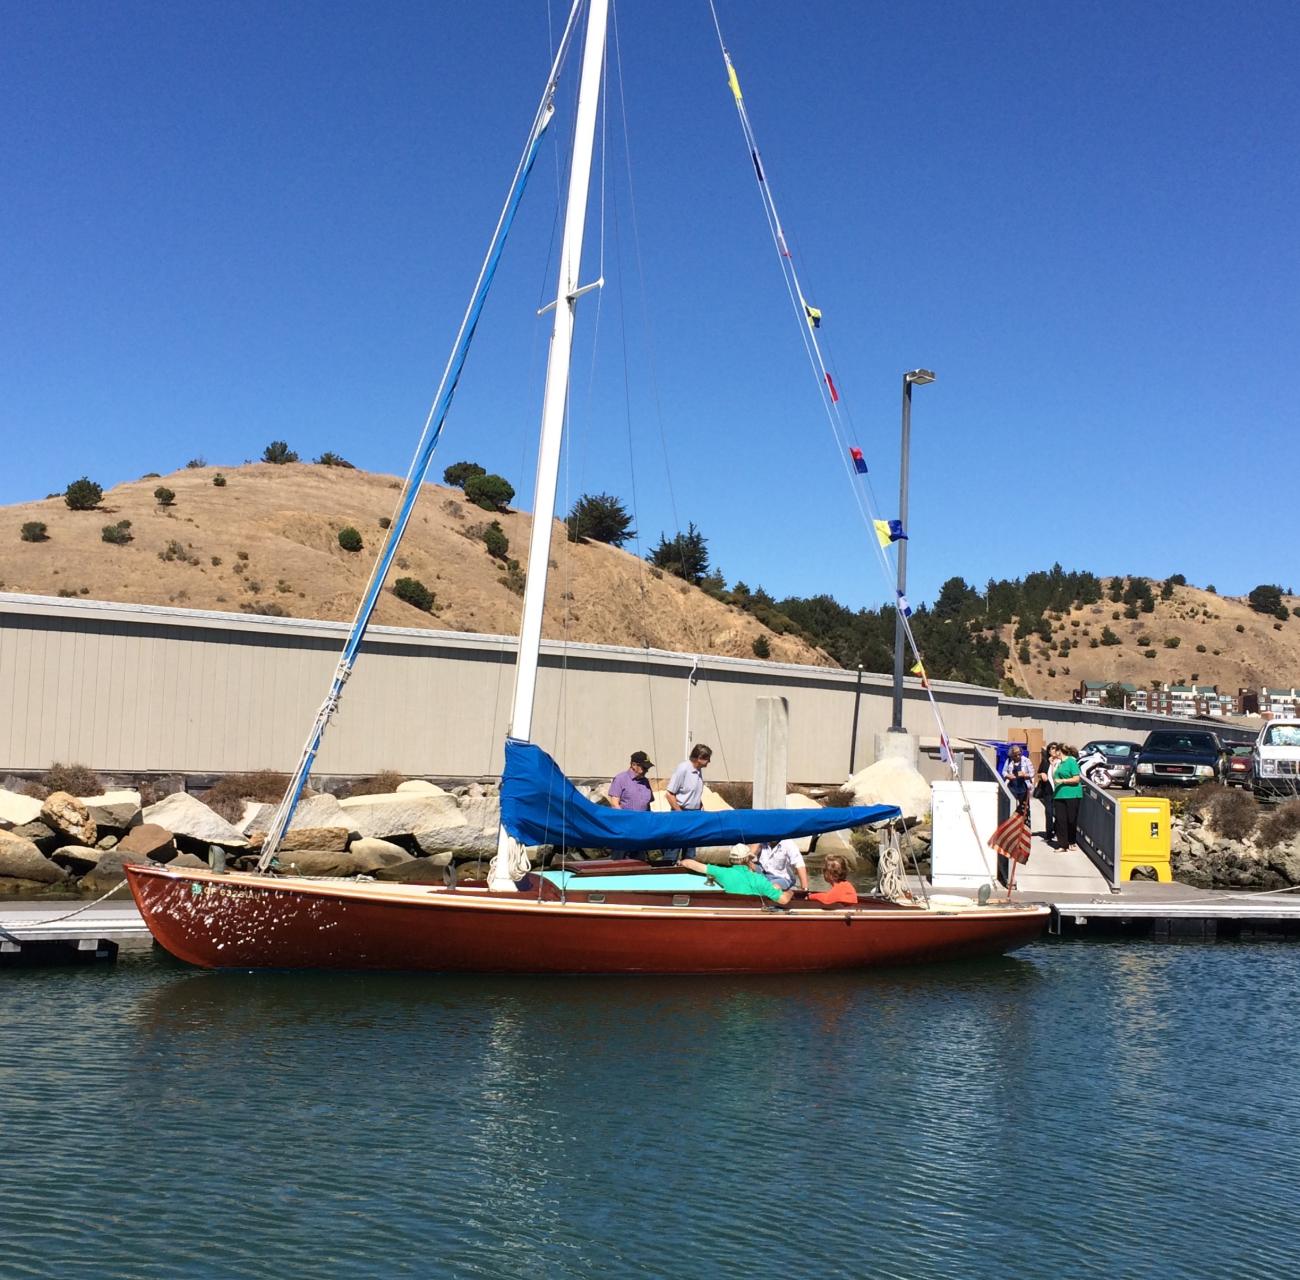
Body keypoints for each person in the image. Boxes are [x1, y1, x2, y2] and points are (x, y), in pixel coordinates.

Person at [680, 846, 793, 905]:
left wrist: (681, 862)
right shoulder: (759, 879)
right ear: (748, 859)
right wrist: (789, 892)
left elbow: (688, 863)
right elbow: (783, 900)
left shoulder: (721, 872)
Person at [663, 744, 712, 865]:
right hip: (681, 812)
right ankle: (667, 874)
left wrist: (699, 805)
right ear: (699, 758)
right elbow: (669, 794)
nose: (709, 762)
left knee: (690, 850)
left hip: (694, 814)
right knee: (673, 848)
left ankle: (688, 873)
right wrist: (680, 813)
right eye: (707, 758)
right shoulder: (683, 768)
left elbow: (693, 792)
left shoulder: (698, 771)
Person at [1051, 745, 1083, 851]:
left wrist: (1063, 781)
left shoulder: (1071, 761)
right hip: (1059, 794)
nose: (1053, 752)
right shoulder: (1058, 763)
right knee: (1060, 820)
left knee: (1071, 819)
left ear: (1060, 751)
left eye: (1056, 751)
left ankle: (1071, 841)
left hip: (1072, 794)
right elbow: (1054, 777)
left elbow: (1076, 779)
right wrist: (1052, 765)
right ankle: (1062, 845)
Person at [1002, 744, 1034, 825]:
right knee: (1012, 806)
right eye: (1015, 754)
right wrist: (1008, 775)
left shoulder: (1026, 760)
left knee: (1024, 807)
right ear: (1012, 754)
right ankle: (1013, 823)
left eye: (1019, 753)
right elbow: (1004, 772)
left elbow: (1032, 773)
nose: (1018, 756)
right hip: (1012, 786)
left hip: (1023, 787)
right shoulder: (1009, 761)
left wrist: (1024, 774)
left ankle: (1025, 824)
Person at [1036, 743, 1058, 844]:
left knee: (1059, 813)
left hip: (1059, 791)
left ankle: (1056, 830)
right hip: (1048, 790)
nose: (1054, 750)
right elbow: (1038, 773)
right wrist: (1042, 774)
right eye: (1052, 749)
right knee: (1049, 812)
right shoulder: (1045, 762)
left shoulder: (1061, 762)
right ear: (1049, 751)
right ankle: (1049, 834)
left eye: (1056, 748)